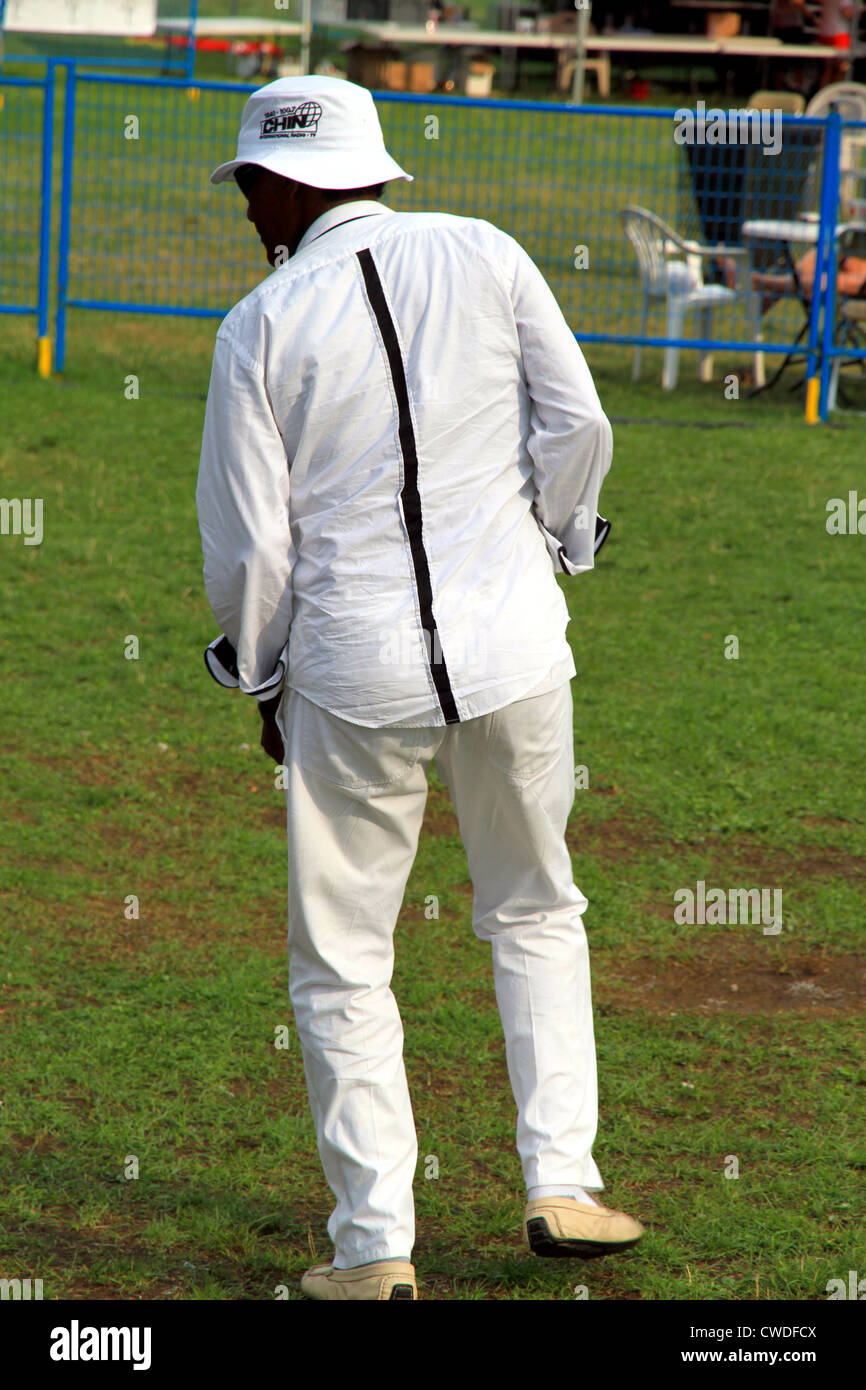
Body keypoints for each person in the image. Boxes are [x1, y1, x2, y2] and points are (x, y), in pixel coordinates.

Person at [196, 74, 644, 1302]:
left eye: (250, 188)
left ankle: (373, 1249)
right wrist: (560, 542)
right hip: (515, 652)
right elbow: (577, 425)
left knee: (342, 961)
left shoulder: (260, 325)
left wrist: (258, 676)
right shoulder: (485, 251)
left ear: (288, 183)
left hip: (352, 671)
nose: (248, 210)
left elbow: (250, 551)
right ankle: (561, 1181)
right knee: (537, 907)